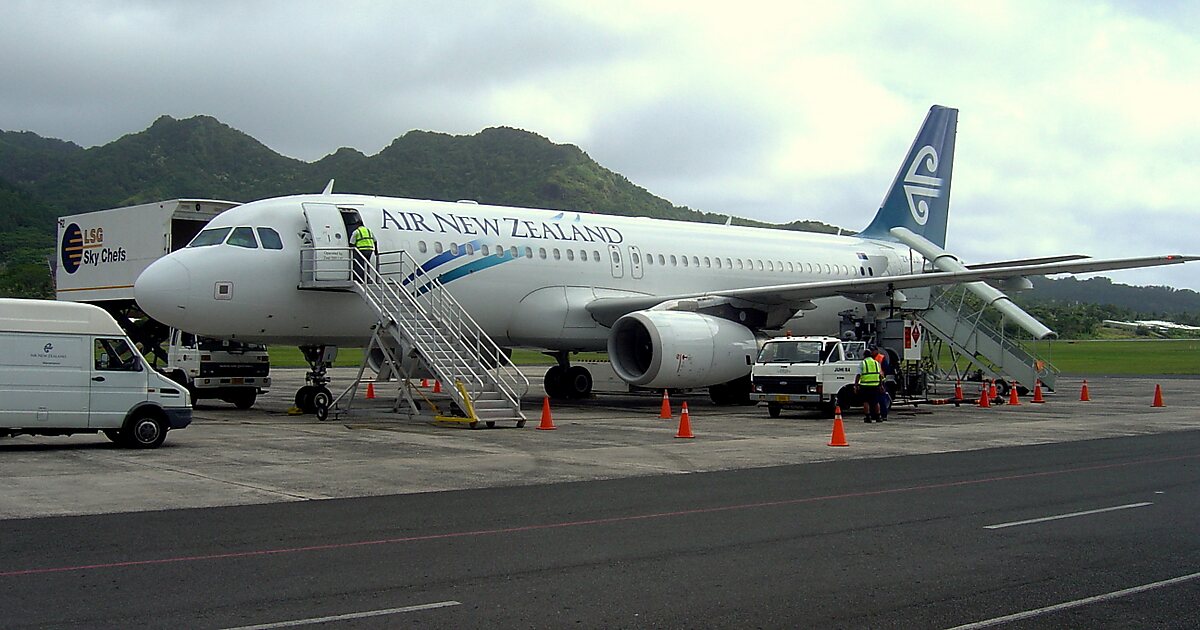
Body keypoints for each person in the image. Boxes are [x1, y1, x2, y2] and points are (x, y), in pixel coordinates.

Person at [855, 348, 883, 423]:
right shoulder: (876, 363)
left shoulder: (863, 363)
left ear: (864, 355)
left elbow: (858, 375)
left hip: (865, 385)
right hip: (875, 384)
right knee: (876, 401)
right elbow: (880, 375)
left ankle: (868, 417)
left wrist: (856, 385)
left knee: (866, 401)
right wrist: (881, 385)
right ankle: (878, 417)